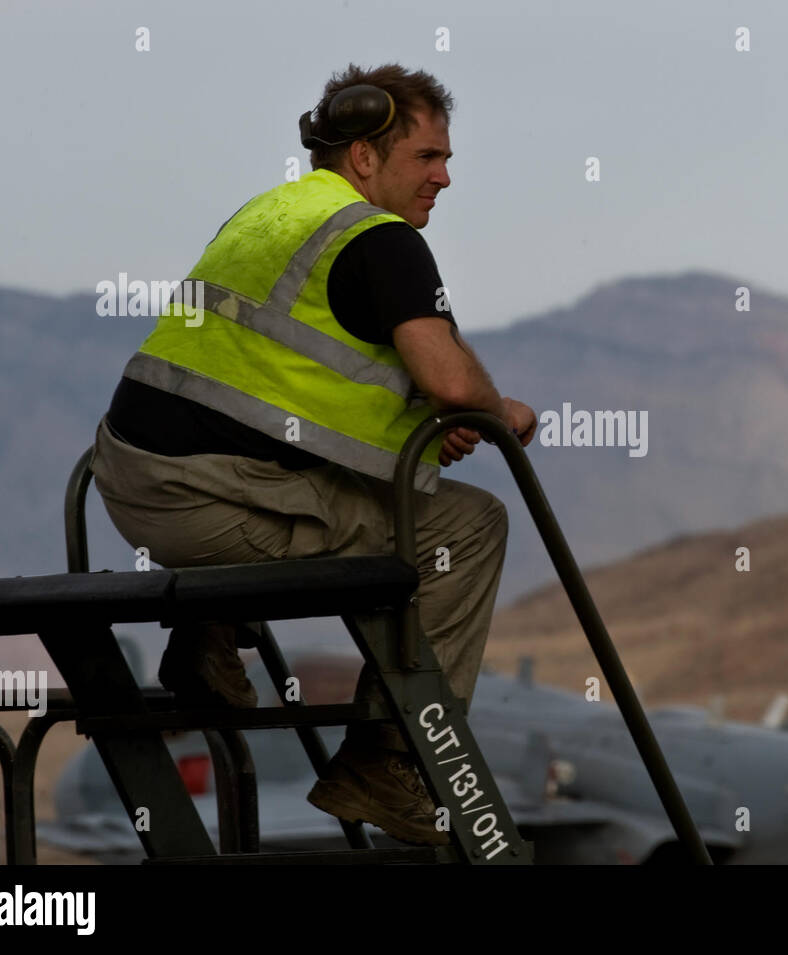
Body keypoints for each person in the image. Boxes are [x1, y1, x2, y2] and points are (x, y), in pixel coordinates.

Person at [89, 62, 537, 846]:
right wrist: (500, 412)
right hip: (216, 502)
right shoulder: (380, 239)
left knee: (319, 485)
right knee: (470, 526)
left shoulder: (267, 216)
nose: (444, 177)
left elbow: (286, 386)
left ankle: (206, 636)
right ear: (364, 156)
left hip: (129, 483)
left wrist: (434, 417)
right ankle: (388, 757)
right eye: (427, 157)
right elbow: (449, 378)